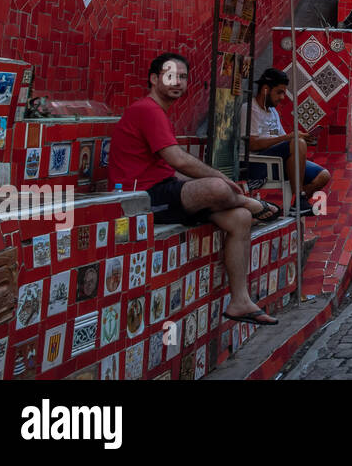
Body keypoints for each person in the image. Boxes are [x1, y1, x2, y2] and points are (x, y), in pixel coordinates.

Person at [110, 52, 280, 326]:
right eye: (169, 75)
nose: (177, 82)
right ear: (153, 79)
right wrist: (220, 180)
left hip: (163, 190)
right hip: (140, 199)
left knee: (240, 219)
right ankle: (250, 202)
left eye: (182, 77)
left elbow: (169, 170)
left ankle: (239, 301)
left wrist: (204, 186)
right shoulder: (147, 110)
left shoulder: (157, 112)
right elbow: (177, 159)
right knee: (217, 187)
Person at [247, 67, 330, 216]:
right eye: (279, 92)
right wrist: (290, 138)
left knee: (324, 175)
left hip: (280, 161)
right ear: (265, 89)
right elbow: (252, 144)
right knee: (297, 142)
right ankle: (299, 200)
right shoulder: (250, 109)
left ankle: (299, 202)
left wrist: (304, 139)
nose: (282, 97)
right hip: (260, 164)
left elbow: (287, 142)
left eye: (283, 93)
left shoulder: (272, 111)